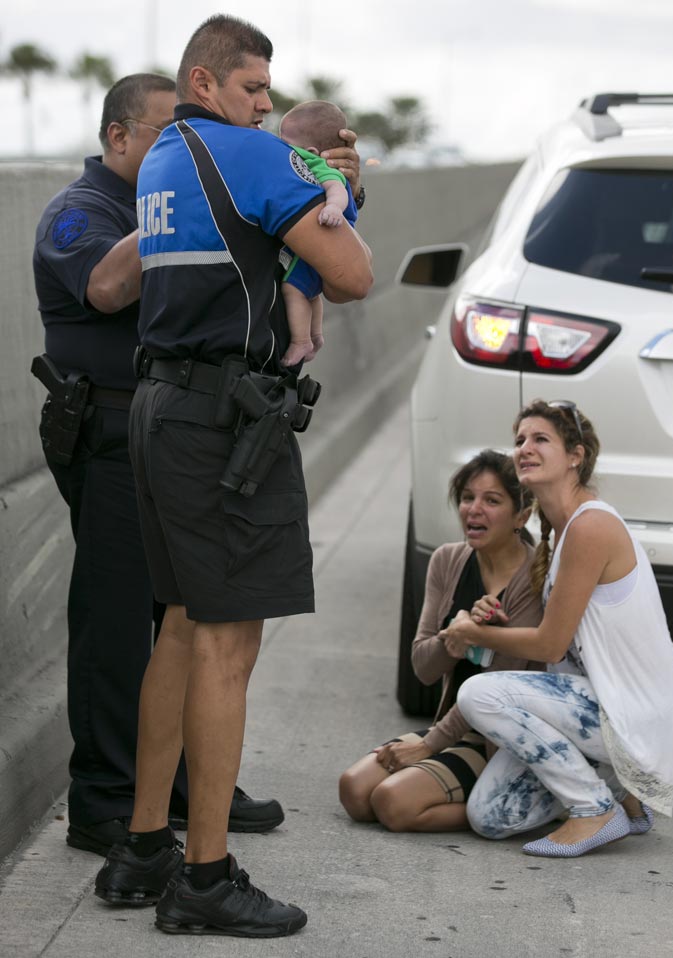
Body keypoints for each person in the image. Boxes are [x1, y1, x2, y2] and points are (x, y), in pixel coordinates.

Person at [94, 15, 372, 940]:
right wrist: (346, 194)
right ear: (206, 82)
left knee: (177, 631)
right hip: (220, 424)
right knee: (225, 648)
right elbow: (353, 275)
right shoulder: (252, 157)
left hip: (156, 408)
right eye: (254, 89)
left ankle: (144, 848)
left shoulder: (166, 158)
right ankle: (205, 875)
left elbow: (122, 283)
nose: (267, 105)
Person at [32, 73, 288, 856]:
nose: (182, 149)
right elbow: (105, 291)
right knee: (117, 622)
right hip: (106, 428)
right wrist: (185, 201)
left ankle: (175, 783)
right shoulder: (80, 214)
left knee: (184, 618)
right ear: (119, 137)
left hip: (171, 430)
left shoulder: (166, 196)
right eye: (166, 135)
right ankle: (104, 803)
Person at [447, 399, 673, 858]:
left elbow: (551, 643)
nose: (524, 448)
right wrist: (500, 625)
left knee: (479, 694)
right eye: (519, 440)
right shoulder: (560, 534)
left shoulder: (591, 526)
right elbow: (568, 642)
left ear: (575, 456)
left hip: (630, 715)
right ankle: (619, 790)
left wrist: (472, 634)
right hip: (593, 705)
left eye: (540, 439)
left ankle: (593, 807)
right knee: (490, 816)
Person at [339, 450, 543, 832]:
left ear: (522, 515)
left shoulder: (532, 579)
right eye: (468, 497)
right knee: (354, 791)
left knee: (392, 803)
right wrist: (456, 636)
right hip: (452, 728)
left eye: (492, 500)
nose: (474, 510)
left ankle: (525, 806)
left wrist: (428, 746)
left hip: (497, 740)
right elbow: (423, 667)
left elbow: (494, 690)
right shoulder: (448, 560)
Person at [277, 100, 359, 367]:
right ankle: (316, 334)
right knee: (311, 290)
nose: (280, 147)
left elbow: (336, 186)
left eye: (286, 142)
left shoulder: (313, 162)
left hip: (331, 231)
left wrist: (334, 207)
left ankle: (301, 341)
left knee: (293, 287)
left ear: (311, 150)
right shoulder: (304, 159)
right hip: (329, 236)